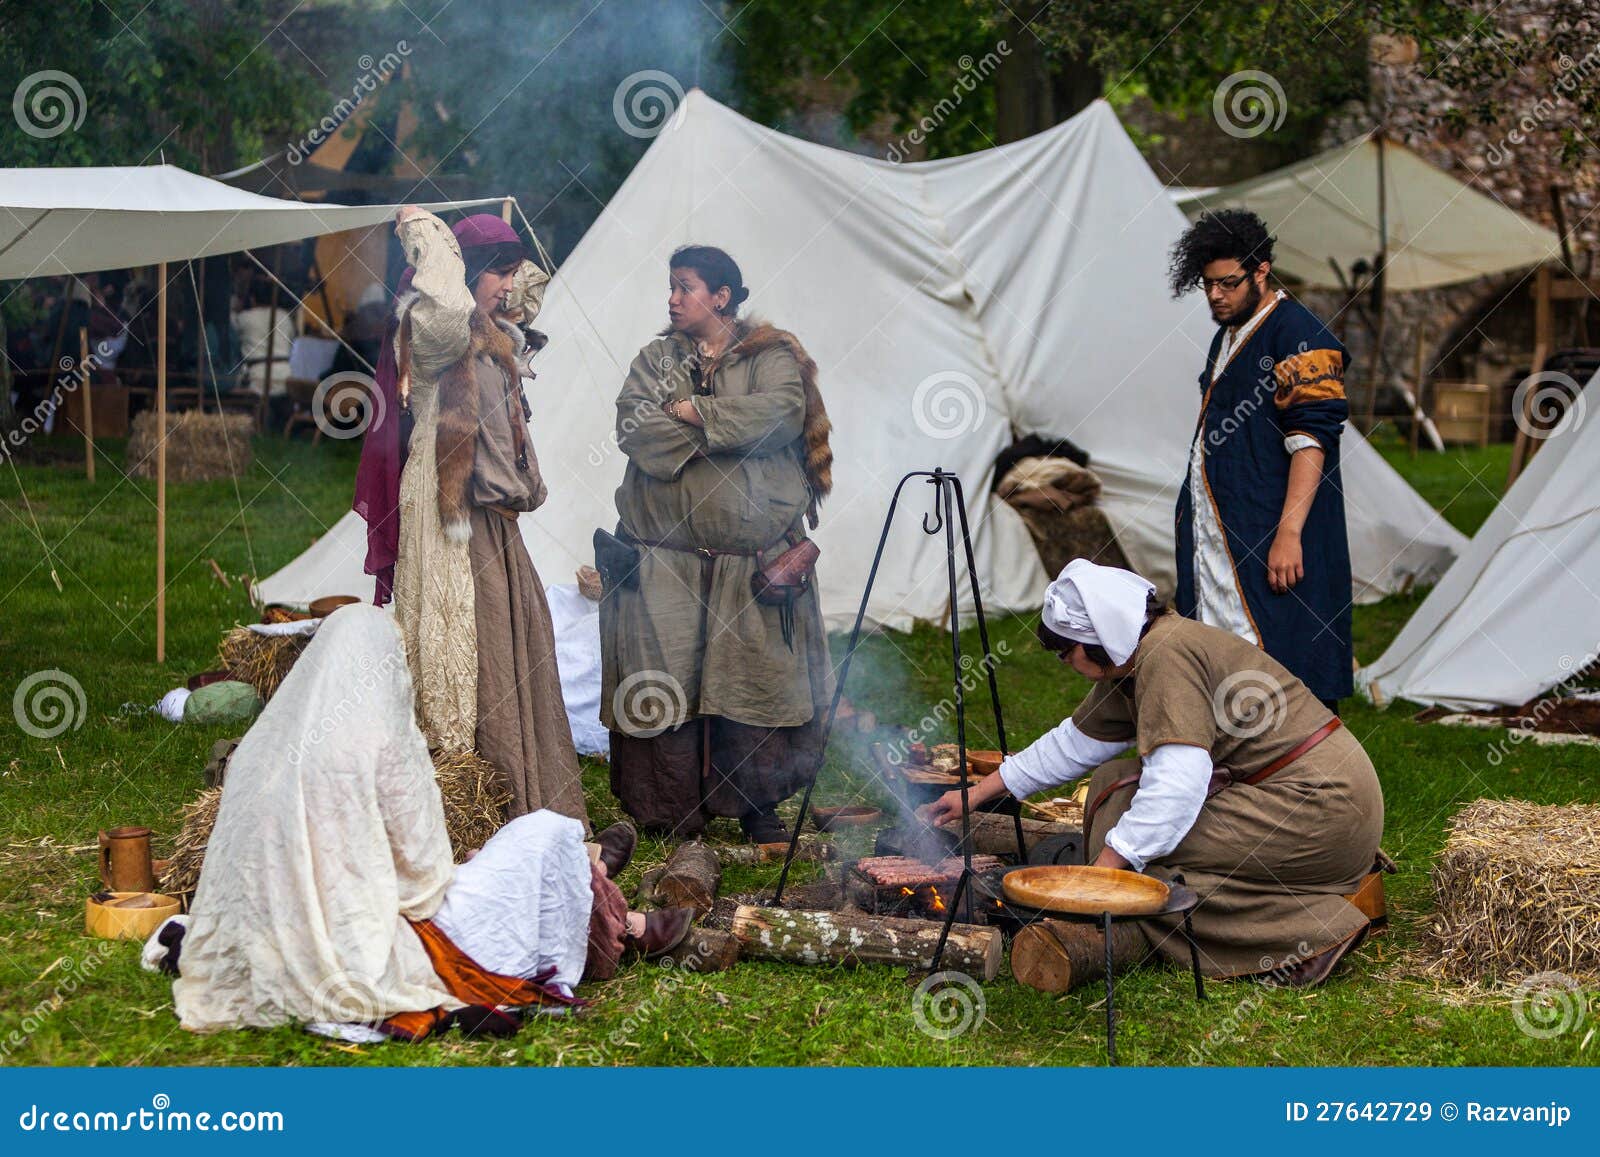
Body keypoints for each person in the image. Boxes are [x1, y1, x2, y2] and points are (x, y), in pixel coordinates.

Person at [169, 604, 693, 1040]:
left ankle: (599, 878)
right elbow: (421, 876)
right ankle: (621, 921)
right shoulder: (379, 742)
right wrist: (473, 862)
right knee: (544, 834)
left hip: (267, 932)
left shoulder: (260, 747)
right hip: (370, 938)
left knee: (520, 855)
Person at [922, 559, 1384, 989]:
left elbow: (1177, 783)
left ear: (1094, 638)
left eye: (1065, 652)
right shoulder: (1139, 653)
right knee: (1113, 787)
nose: (1063, 663)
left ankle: (1311, 931)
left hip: (1322, 809)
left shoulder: (1165, 657)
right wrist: (975, 794)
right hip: (1311, 798)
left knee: (1152, 868)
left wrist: (1106, 872)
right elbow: (1074, 744)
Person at [599, 245, 834, 843]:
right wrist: (724, 435)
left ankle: (759, 809)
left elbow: (782, 414)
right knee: (664, 682)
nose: (672, 298)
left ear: (721, 297)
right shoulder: (657, 359)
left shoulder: (774, 356)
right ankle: (671, 811)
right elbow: (633, 423)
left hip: (751, 564)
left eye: (685, 287)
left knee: (754, 683)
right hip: (664, 563)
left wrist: (696, 412)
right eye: (671, 286)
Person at [378, 205, 587, 826]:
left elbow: (529, 291)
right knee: (469, 646)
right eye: (495, 272)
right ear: (466, 272)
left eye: (509, 273)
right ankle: (476, 807)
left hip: (494, 516)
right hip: (452, 514)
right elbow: (443, 294)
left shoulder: (493, 333)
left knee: (511, 641)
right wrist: (423, 227)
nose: (507, 285)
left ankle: (527, 798)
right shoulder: (437, 332)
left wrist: (499, 257)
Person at [1167, 209, 1354, 709]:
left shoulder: (1299, 335)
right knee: (1220, 657)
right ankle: (1235, 773)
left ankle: (1308, 777)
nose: (1215, 295)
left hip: (1268, 528)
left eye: (1228, 283)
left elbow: (1311, 441)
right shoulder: (1228, 333)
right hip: (1224, 532)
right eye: (1207, 285)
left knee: (1286, 654)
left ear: (1262, 270)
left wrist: (1289, 533)